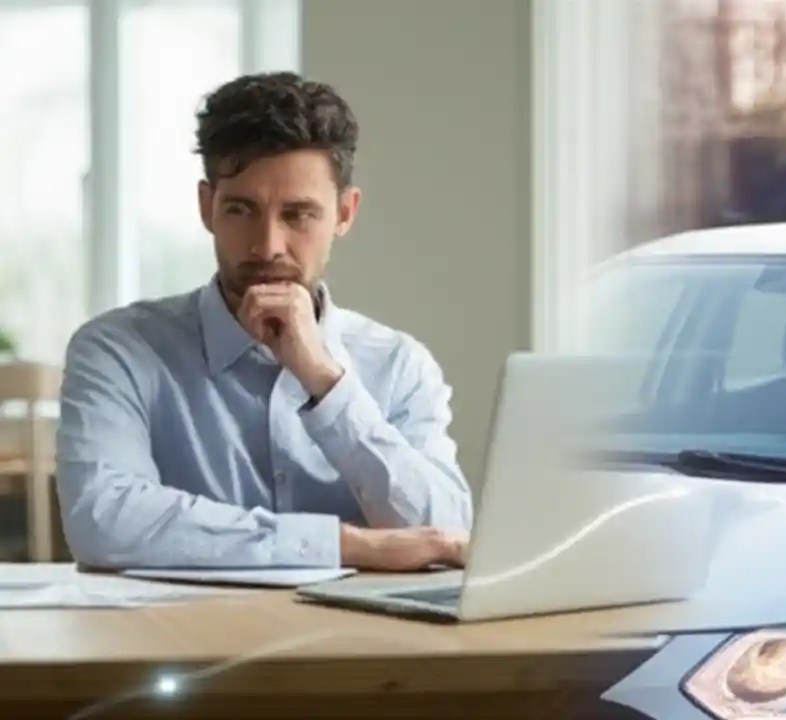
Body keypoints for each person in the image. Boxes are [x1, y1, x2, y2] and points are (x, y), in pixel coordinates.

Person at [54, 72, 473, 572]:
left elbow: (445, 532)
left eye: (298, 215)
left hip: (363, 648)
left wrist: (325, 380)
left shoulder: (399, 366)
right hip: (184, 644)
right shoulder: (117, 350)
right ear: (208, 207)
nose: (268, 245)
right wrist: (345, 545)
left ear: (344, 213)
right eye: (241, 209)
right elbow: (104, 522)